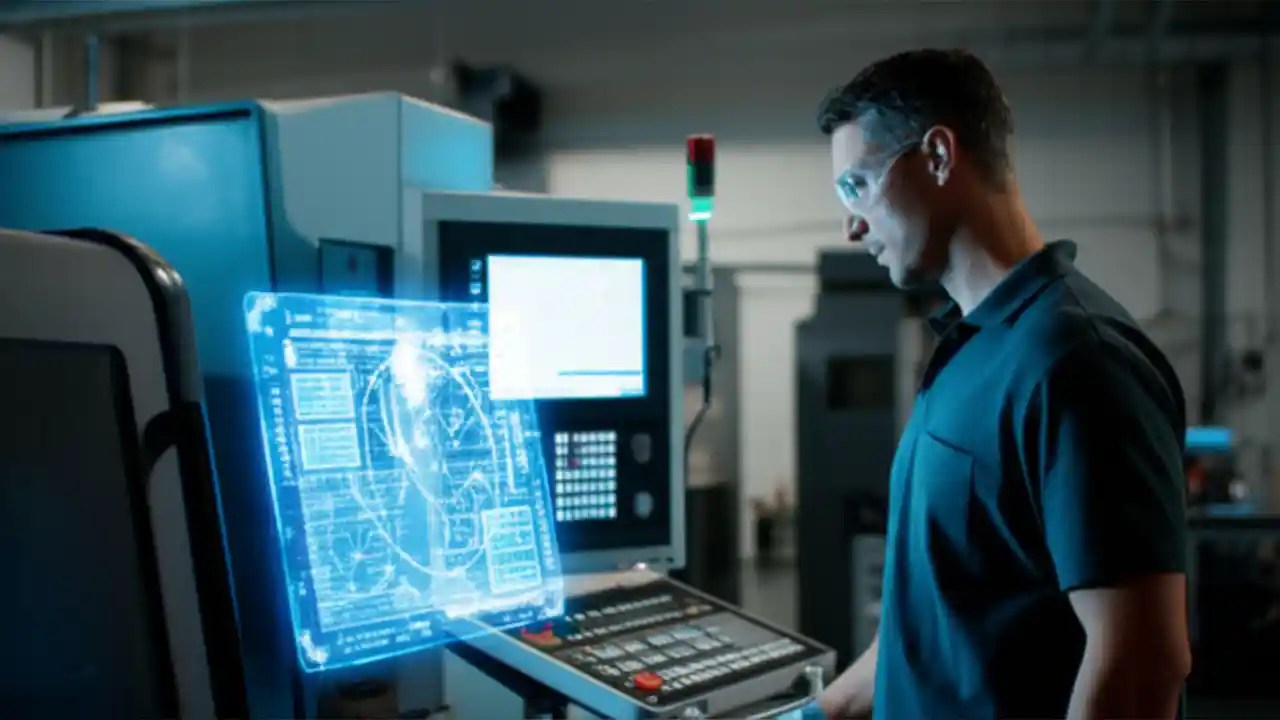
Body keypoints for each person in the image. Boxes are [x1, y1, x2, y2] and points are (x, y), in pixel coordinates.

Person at [807, 49, 1192, 719]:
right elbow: (932, 628)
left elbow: (1140, 665)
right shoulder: (968, 350)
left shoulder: (1075, 359)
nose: (852, 224)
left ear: (937, 156)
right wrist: (813, 715)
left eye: (856, 186)